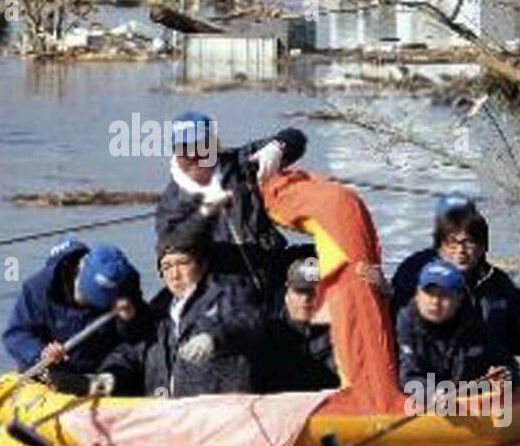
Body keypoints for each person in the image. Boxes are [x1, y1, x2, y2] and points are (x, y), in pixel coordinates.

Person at [391, 196, 520, 370]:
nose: (460, 251)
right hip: (426, 376)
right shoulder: (413, 272)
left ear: (482, 247)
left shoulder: (497, 283)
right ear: (440, 245)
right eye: (452, 243)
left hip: (486, 374)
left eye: (469, 242)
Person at [95, 230, 267, 398]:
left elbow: (246, 322)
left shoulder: (231, 296)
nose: (175, 275)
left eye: (183, 263)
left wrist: (213, 337)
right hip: (167, 415)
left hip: (216, 416)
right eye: (166, 267)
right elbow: (132, 351)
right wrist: (112, 373)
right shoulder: (158, 312)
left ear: (203, 264)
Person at [155, 110, 307, 291]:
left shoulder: (240, 162)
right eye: (187, 149)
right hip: (225, 287)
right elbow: (175, 244)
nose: (196, 155)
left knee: (324, 262)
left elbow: (296, 137)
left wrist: (278, 147)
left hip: (273, 267)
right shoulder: (172, 201)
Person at [2, 239, 145, 374]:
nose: (88, 304)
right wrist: (40, 352)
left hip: (104, 370)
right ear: (78, 272)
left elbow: (140, 336)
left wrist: (129, 320)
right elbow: (15, 335)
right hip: (51, 369)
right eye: (87, 297)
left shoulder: (126, 285)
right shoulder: (39, 288)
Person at [395, 259, 518, 390]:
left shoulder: (474, 325)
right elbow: (407, 374)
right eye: (429, 293)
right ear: (418, 294)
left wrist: (503, 375)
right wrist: (430, 393)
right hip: (416, 402)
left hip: (465, 400)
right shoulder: (403, 325)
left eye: (444, 295)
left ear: (459, 299)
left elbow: (506, 363)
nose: (435, 301)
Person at [259, 254, 339, 393]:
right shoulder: (265, 332)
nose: (306, 299)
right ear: (287, 290)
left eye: (313, 293)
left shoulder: (339, 334)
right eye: (300, 291)